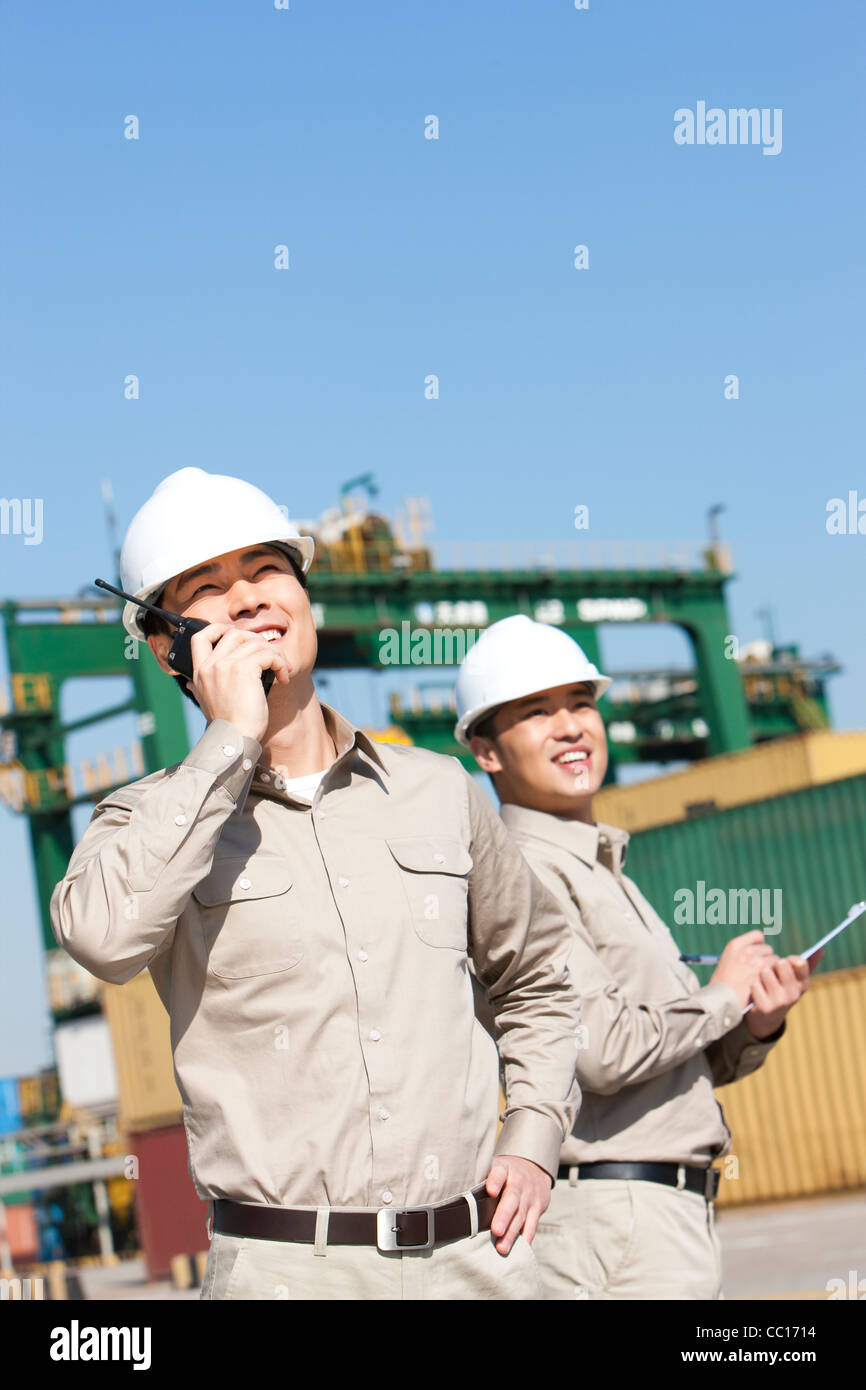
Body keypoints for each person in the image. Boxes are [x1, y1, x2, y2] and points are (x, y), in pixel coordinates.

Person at [50, 470, 581, 1301]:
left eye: (267, 572)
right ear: (167, 645)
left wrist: (535, 1133)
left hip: (483, 1262)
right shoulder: (148, 819)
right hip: (289, 1275)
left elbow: (539, 978)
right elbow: (103, 938)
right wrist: (231, 738)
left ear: (305, 594)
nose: (250, 598)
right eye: (210, 589)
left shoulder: (439, 790)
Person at [455, 614, 816, 1300]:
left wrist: (754, 1020)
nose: (571, 727)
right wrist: (723, 995)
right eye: (537, 713)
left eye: (581, 704)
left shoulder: (603, 868)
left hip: (656, 1211)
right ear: (487, 751)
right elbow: (601, 1051)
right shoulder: (527, 871)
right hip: (615, 1217)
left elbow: (671, 1066)